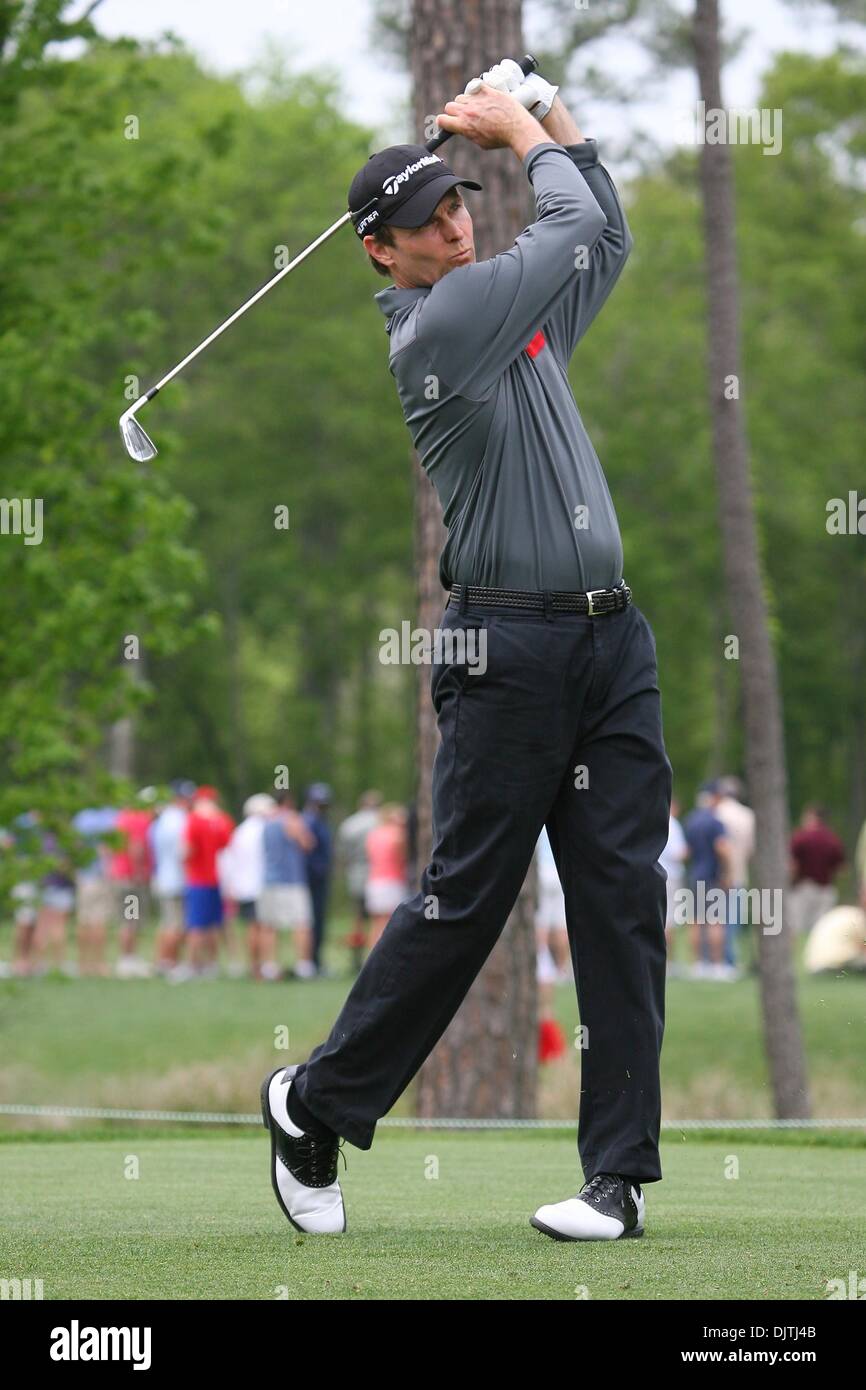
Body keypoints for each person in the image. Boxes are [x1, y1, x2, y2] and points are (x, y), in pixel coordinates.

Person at [261, 60, 668, 1242]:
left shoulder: (512, 310)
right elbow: (572, 210)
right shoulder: (439, 324)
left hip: (609, 641)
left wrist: (547, 113)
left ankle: (616, 1182)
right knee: (467, 901)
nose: (451, 218)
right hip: (508, 648)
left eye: (454, 198)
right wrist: (517, 123)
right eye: (421, 219)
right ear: (379, 253)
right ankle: (315, 1102)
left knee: (621, 899)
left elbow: (610, 231)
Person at [175, 786, 234, 980]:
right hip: (214, 880)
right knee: (211, 926)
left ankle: (191, 965)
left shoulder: (194, 821)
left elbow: (187, 851)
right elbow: (227, 843)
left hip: (198, 880)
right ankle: (211, 964)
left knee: (196, 926)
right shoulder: (220, 820)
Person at [258, 792, 316, 979]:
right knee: (301, 923)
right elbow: (307, 844)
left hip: (269, 880)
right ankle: (304, 966)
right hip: (291, 881)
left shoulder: (266, 822)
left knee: (269, 925)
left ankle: (269, 966)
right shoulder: (291, 819)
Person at [222, 793, 278, 980]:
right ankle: (267, 965)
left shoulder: (239, 832)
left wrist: (231, 885)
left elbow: (229, 860)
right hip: (264, 885)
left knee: (251, 927)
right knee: (266, 927)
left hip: (244, 886)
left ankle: (254, 966)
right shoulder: (267, 830)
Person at [683, 781, 732, 978]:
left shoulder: (691, 820)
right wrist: (727, 873)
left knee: (696, 921)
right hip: (712, 876)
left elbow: (687, 852)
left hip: (695, 874)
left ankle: (698, 965)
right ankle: (717, 966)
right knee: (715, 921)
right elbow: (722, 848)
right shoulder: (715, 822)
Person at [149, 780, 195, 974]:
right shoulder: (179, 820)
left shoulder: (161, 820)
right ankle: (170, 962)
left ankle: (163, 961)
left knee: (167, 923)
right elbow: (184, 852)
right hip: (177, 879)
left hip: (163, 876)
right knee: (176, 925)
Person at [110, 789, 156, 978]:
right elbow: (136, 847)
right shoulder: (139, 819)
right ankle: (127, 959)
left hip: (121, 874)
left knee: (129, 918)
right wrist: (139, 872)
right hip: (131, 877)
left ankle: (129, 958)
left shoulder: (122, 817)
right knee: (131, 919)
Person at [336, 791, 382, 975]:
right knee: (377, 917)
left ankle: (356, 958)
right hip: (377, 873)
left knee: (357, 918)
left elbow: (342, 853)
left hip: (355, 872)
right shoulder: (380, 822)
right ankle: (375, 957)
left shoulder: (349, 824)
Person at [714, 776, 755, 972]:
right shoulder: (748, 816)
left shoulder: (716, 813)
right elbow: (751, 849)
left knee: (715, 918)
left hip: (717, 875)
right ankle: (731, 959)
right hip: (739, 873)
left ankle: (716, 960)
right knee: (733, 919)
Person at [72, 806, 118, 977]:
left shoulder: (82, 817)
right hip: (102, 875)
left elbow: (75, 845)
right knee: (99, 920)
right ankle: (99, 963)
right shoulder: (111, 816)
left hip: (85, 875)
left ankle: (83, 963)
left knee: (84, 920)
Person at [789, 805, 846, 936]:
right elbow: (842, 868)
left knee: (793, 926)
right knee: (822, 930)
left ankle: (789, 955)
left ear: (812, 817)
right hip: (826, 889)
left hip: (803, 887)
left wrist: (791, 882)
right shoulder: (833, 839)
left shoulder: (801, 837)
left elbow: (793, 864)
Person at [364, 804, 410, 951]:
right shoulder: (398, 836)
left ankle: (371, 956)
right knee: (390, 922)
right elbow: (402, 858)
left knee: (376, 922)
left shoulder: (373, 834)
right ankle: (385, 954)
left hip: (374, 881)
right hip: (392, 881)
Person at [302, 784, 334, 976]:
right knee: (313, 919)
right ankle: (311, 961)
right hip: (312, 878)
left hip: (321, 877)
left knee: (319, 920)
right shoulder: (309, 821)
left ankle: (316, 959)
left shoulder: (321, 821)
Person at [659, 795, 688, 975]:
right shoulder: (672, 824)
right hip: (671, 875)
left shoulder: (651, 819)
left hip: (656, 874)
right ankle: (669, 962)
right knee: (669, 919)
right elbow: (678, 853)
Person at [804, 904, 866, 975]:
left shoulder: (846, 912)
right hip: (832, 965)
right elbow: (863, 947)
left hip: (815, 966)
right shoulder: (859, 917)